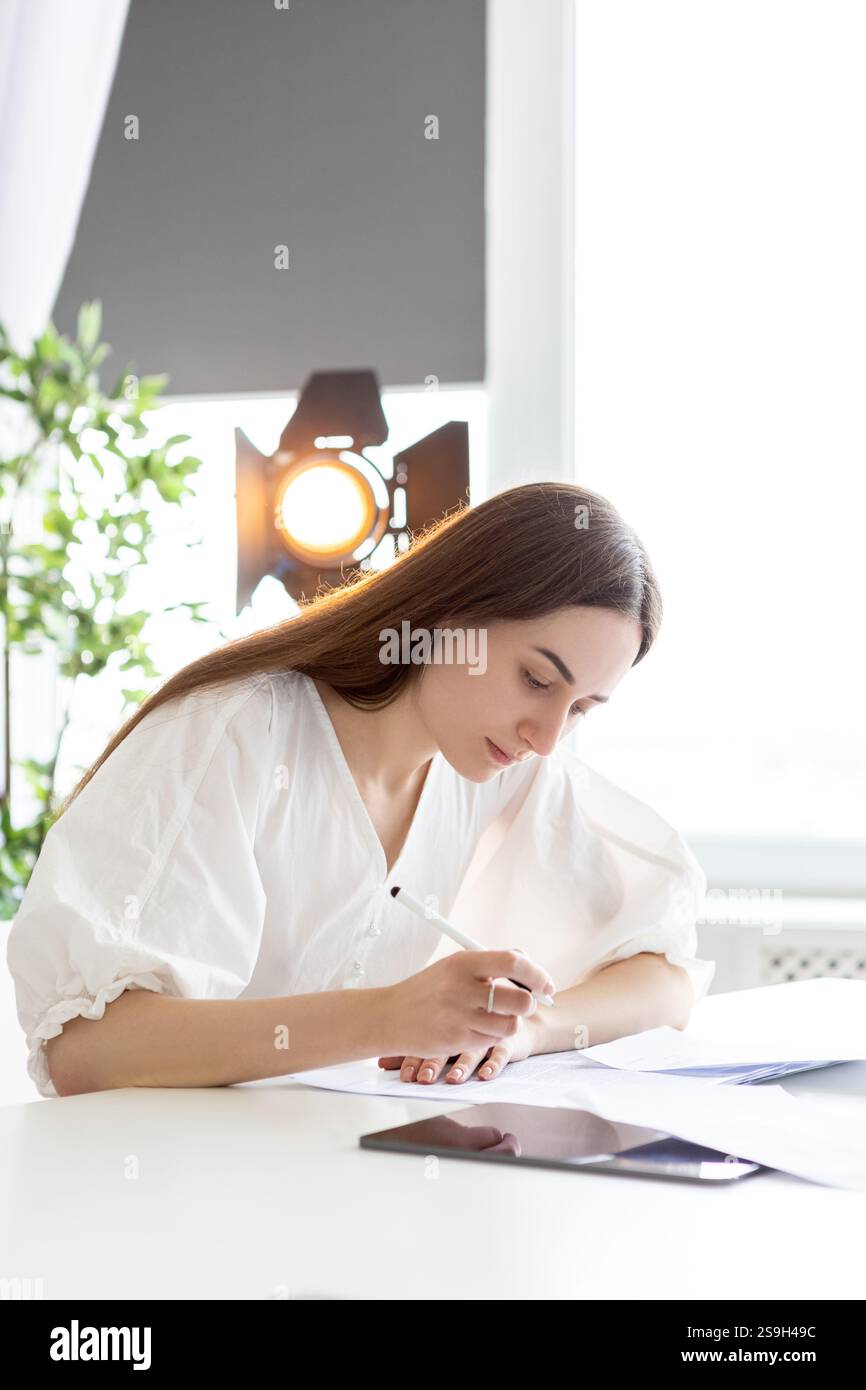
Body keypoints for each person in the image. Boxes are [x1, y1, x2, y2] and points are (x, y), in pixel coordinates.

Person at [6, 481, 715, 1098]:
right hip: (150, 1199)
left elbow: (668, 981)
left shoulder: (498, 768)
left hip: (322, 1186)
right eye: (536, 679)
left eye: (582, 708)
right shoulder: (238, 731)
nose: (547, 735)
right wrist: (389, 1016)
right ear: (451, 611)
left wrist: (524, 1028)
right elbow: (86, 1050)